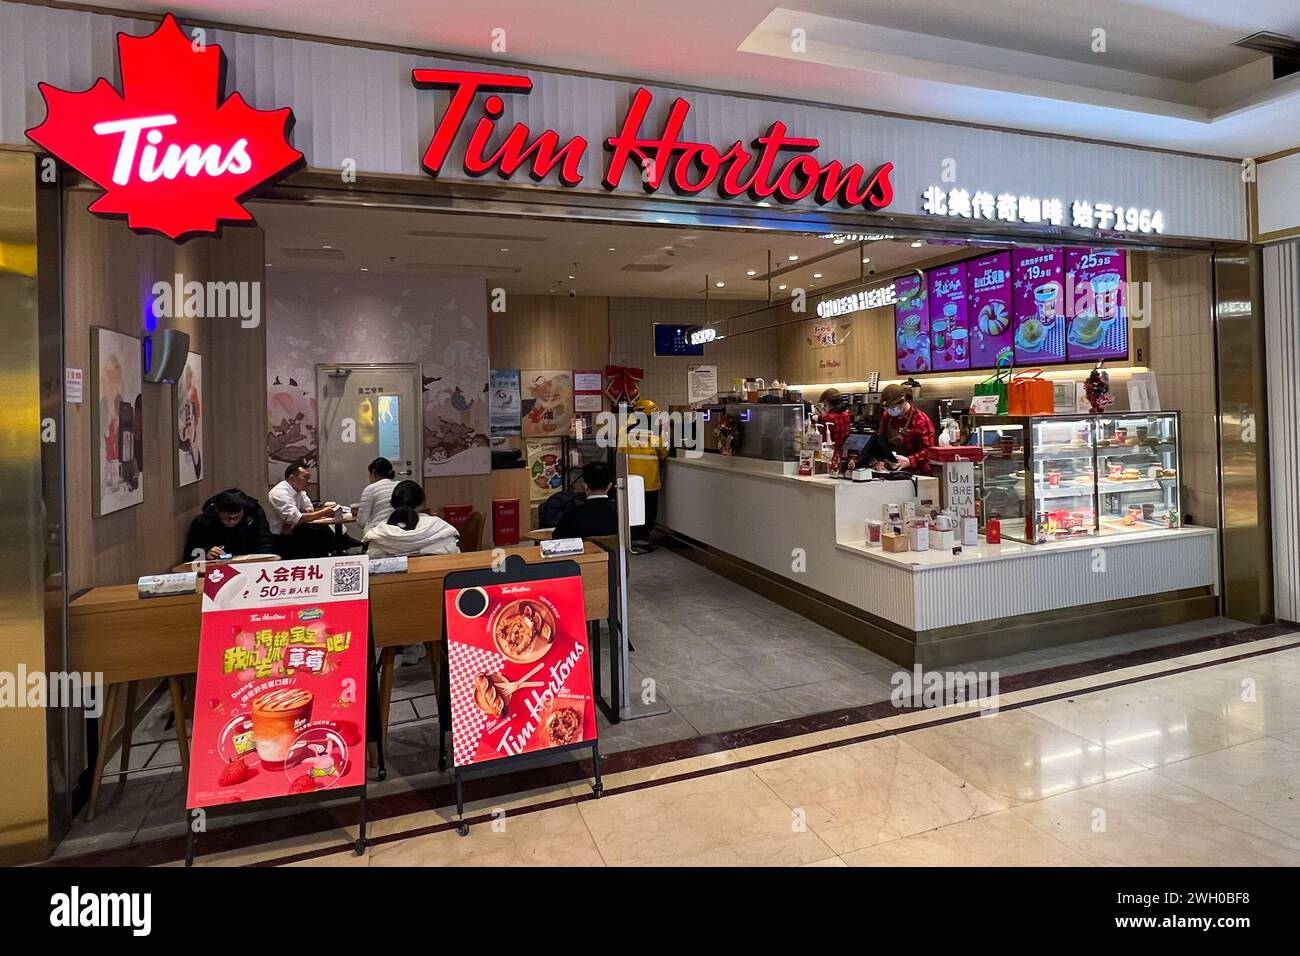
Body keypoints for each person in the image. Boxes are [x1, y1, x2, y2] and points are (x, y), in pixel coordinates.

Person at [618, 398, 668, 552]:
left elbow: (619, 453)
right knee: (648, 513)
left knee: (631, 512)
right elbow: (664, 452)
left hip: (630, 480)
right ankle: (642, 540)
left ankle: (631, 540)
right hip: (649, 480)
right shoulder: (656, 431)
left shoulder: (624, 430)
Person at [268, 463, 349, 558]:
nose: (308, 481)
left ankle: (341, 544)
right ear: (292, 478)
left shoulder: (300, 490)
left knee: (323, 532)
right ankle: (342, 545)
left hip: (296, 532)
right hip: (281, 538)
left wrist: (323, 512)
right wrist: (323, 512)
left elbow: (309, 511)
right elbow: (296, 519)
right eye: (306, 477)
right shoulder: (279, 493)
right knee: (322, 535)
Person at [363, 480, 460, 558]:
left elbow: (372, 560)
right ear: (421, 503)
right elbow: (454, 556)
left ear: (393, 504)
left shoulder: (379, 533)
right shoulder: (439, 527)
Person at [182, 489, 275, 563]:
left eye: (236, 517)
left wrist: (263, 562)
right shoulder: (203, 521)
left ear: (243, 511)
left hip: (250, 563)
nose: (231, 522)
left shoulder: (254, 514)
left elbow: (265, 542)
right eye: (226, 518)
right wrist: (206, 552)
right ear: (217, 512)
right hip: (216, 567)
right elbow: (189, 555)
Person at [876, 383, 937, 475]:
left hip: (916, 472)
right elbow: (880, 440)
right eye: (886, 408)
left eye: (892, 407)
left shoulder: (921, 420)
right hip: (891, 470)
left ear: (903, 401)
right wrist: (879, 460)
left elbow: (930, 450)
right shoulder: (887, 416)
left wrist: (910, 460)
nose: (889, 410)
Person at [553, 461, 618, 541]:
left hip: (586, 553)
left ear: (585, 486)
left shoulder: (572, 514)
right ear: (609, 486)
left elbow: (557, 542)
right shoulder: (622, 514)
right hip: (616, 553)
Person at [356, 456, 399, 533]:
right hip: (399, 531)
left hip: (378, 534)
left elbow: (361, 523)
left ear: (374, 472)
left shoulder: (370, 489)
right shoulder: (400, 486)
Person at [815, 387, 852, 467]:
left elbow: (822, 441)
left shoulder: (828, 418)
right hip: (844, 455)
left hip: (830, 457)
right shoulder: (846, 415)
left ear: (825, 402)